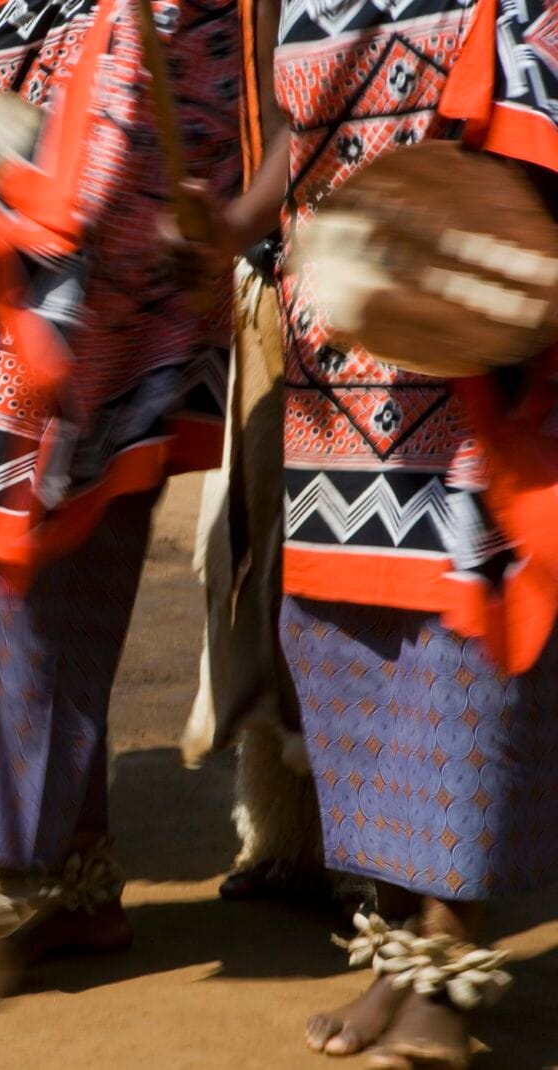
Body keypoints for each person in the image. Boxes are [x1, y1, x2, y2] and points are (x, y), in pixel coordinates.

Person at [178, 0, 558, 1062]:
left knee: (456, 649)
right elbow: (294, 143)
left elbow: (538, 116)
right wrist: (233, 222)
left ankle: (451, 949)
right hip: (336, 352)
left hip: (471, 350)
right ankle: (398, 946)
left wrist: (502, 281)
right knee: (350, 649)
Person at [0, 0, 238, 1010]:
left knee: (27, 583)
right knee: (33, 586)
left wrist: (225, 225)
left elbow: (223, 99)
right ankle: (74, 875)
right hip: (33, 293)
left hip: (117, 300)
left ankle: (0, 882)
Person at [175, 0, 344, 909]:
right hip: (273, 285)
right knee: (248, 562)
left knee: (340, 573)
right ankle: (288, 836)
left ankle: (387, 859)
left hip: (363, 278)